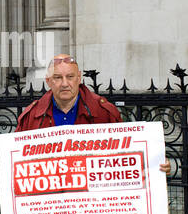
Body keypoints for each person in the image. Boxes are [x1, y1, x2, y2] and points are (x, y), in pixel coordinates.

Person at [17, 54, 171, 173]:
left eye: (70, 77)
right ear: (48, 81)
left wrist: (155, 163)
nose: (64, 83)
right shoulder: (32, 116)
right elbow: (17, 163)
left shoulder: (104, 112)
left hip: (91, 206)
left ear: (79, 78)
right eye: (57, 78)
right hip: (51, 206)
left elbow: (127, 157)